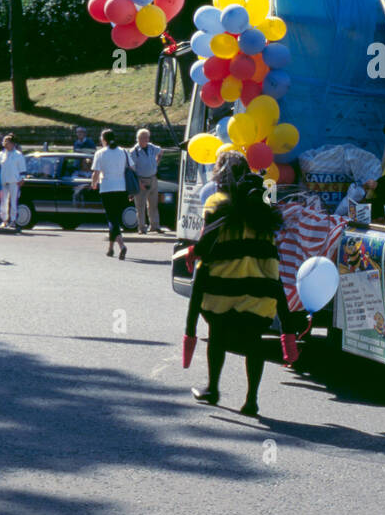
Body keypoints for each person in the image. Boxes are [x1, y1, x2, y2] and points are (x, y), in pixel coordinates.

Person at [184, 152, 305, 417]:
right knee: (254, 342)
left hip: (223, 285)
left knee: (216, 335)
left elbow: (207, 245)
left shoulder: (217, 203)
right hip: (259, 286)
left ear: (220, 174)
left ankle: (213, 389)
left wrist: (193, 251)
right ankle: (251, 401)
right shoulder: (262, 205)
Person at [90, 129, 131, 259]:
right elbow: (132, 168)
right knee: (115, 219)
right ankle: (110, 248)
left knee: (112, 219)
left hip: (107, 188)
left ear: (104, 140)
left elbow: (96, 173)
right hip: (121, 187)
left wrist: (93, 183)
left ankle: (122, 245)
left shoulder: (100, 153)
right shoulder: (124, 151)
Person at [129, 127, 164, 233]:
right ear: (138, 139)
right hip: (141, 180)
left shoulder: (151, 147)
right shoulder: (134, 151)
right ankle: (141, 227)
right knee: (140, 206)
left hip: (153, 178)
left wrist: (156, 163)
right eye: (143, 137)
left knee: (153, 204)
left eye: (147, 137)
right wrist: (139, 183)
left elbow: (161, 151)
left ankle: (155, 226)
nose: (146, 139)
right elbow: (131, 170)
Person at [0, 134, 28, 231]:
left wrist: (22, 178)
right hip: (3, 181)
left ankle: (13, 220)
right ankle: (4, 220)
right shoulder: (0, 154)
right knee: (3, 201)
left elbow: (22, 168)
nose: (6, 144)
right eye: (4, 142)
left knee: (13, 201)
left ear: (13, 143)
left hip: (14, 181)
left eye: (8, 142)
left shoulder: (18, 155)